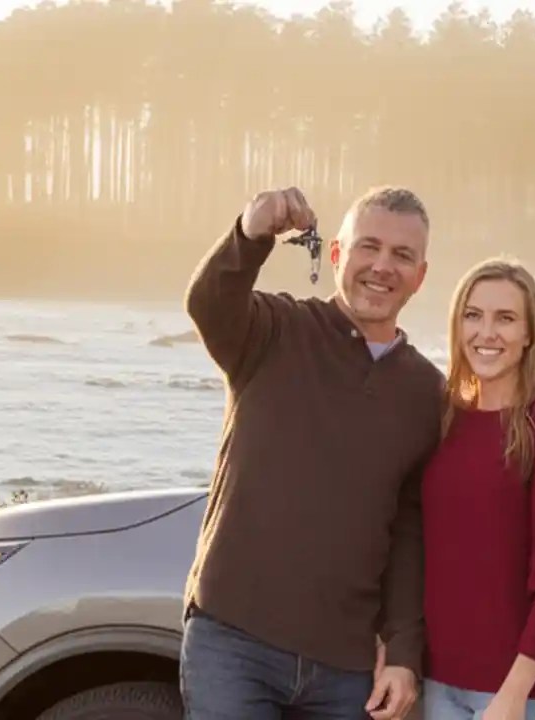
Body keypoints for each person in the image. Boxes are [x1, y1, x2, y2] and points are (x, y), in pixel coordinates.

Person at [179, 185, 446, 719]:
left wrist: (402, 653)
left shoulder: (426, 392)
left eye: (402, 255)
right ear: (337, 255)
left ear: (420, 276)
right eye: (368, 247)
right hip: (233, 643)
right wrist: (250, 234)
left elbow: (410, 534)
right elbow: (209, 303)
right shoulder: (273, 331)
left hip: (346, 668)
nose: (382, 267)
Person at [420, 258, 535, 720]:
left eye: (505, 319)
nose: (487, 333)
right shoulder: (443, 424)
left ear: (529, 334)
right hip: (437, 686)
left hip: (514, 695)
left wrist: (514, 694)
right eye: (473, 315)